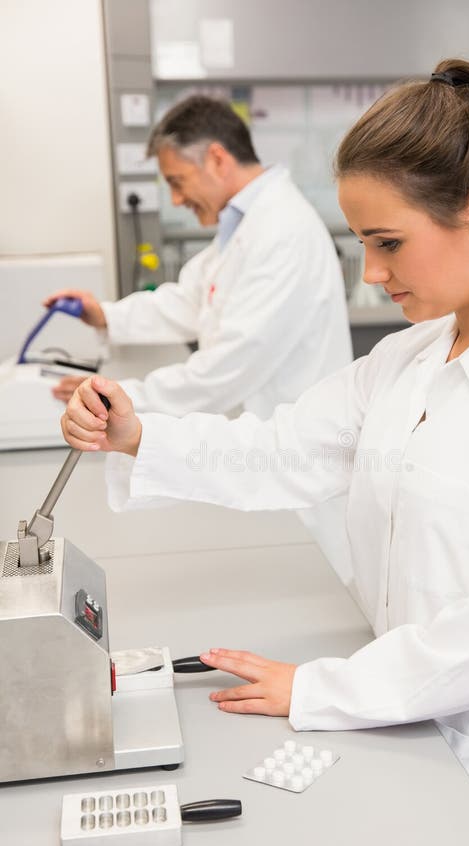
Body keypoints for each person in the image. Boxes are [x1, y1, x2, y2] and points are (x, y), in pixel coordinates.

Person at [61, 59, 469, 846]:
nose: (372, 276)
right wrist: (138, 434)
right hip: (392, 719)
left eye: (387, 243)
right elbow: (284, 448)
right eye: (362, 245)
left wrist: (317, 687)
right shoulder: (410, 357)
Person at [47, 93, 354, 584]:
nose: (174, 200)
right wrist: (104, 314)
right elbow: (191, 299)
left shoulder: (283, 231)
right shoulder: (245, 226)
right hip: (257, 462)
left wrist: (125, 399)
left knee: (303, 599)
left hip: (297, 479)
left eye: (176, 182)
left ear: (216, 157)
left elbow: (227, 368)